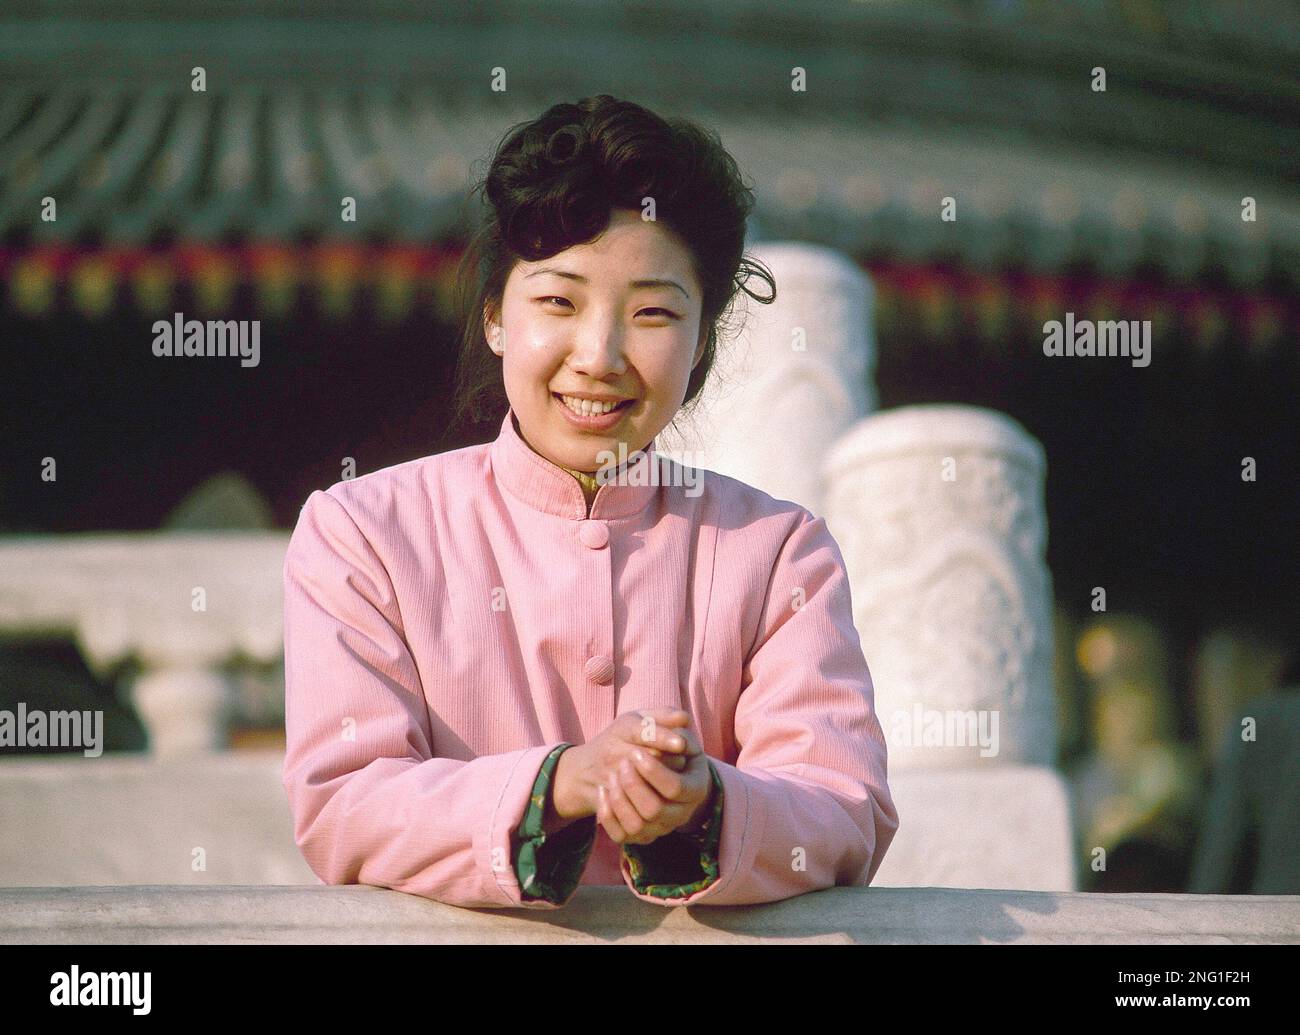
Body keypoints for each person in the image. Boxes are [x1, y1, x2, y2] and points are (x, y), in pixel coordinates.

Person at [281, 94, 899, 909]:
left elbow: (843, 810)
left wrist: (708, 802)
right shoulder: (363, 533)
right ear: (497, 314)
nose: (599, 356)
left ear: (703, 340)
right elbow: (345, 806)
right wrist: (561, 782)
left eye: (652, 312)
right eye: (559, 302)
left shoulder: (781, 550)